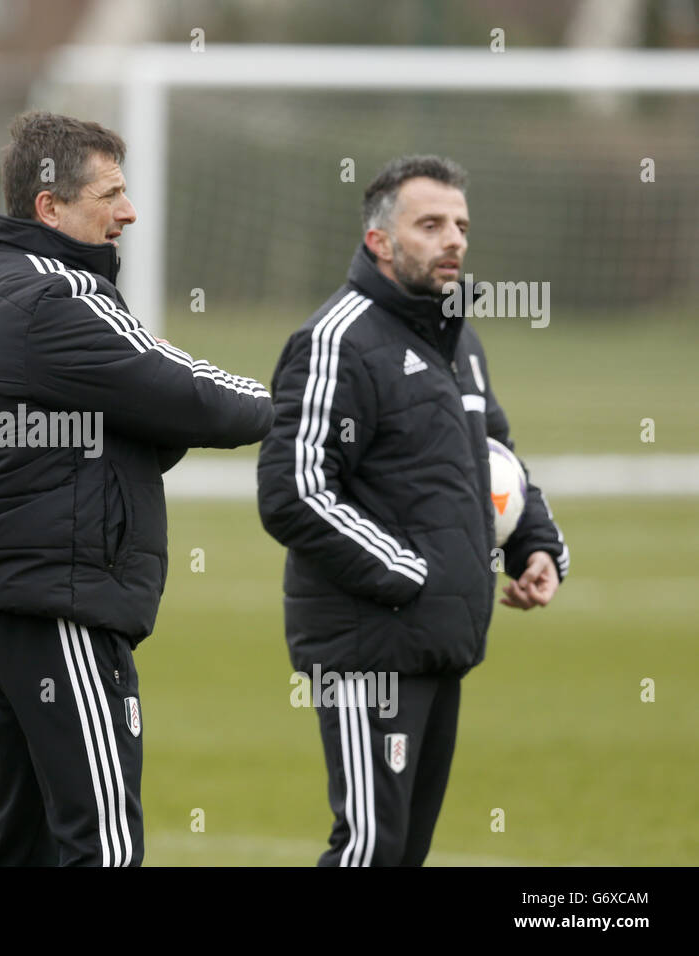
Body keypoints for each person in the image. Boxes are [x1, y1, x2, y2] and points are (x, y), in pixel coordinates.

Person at [0, 111, 274, 866]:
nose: (129, 211)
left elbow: (137, 420)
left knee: (23, 842)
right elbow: (189, 392)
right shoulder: (59, 296)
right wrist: (297, 407)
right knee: (101, 841)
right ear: (50, 206)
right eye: (112, 194)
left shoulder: (3, 289)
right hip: (60, 601)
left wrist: (151, 417)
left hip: (11, 600)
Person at [257, 155, 569, 867]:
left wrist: (533, 548)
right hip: (368, 645)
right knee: (371, 846)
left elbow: (496, 461)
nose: (453, 239)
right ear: (379, 242)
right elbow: (293, 490)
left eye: (460, 224)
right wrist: (408, 572)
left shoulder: (460, 340)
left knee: (402, 852)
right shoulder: (336, 340)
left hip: (438, 638)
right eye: (430, 224)